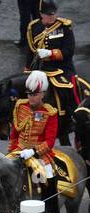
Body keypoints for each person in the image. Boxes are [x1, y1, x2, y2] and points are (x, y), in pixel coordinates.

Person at [25, 0, 76, 136]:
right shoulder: (33, 27)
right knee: (26, 90)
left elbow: (69, 50)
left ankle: (71, 117)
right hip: (40, 67)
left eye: (53, 14)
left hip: (61, 67)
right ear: (41, 14)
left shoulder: (64, 26)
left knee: (68, 88)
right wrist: (27, 70)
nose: (51, 17)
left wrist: (51, 53)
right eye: (48, 15)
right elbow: (30, 51)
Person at [9, 70, 59, 202]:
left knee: (47, 176)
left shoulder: (49, 113)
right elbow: (14, 133)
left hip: (39, 153)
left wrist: (33, 152)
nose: (31, 97)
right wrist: (13, 150)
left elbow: (50, 142)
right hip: (19, 149)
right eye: (29, 94)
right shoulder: (20, 106)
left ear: (43, 94)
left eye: (35, 94)